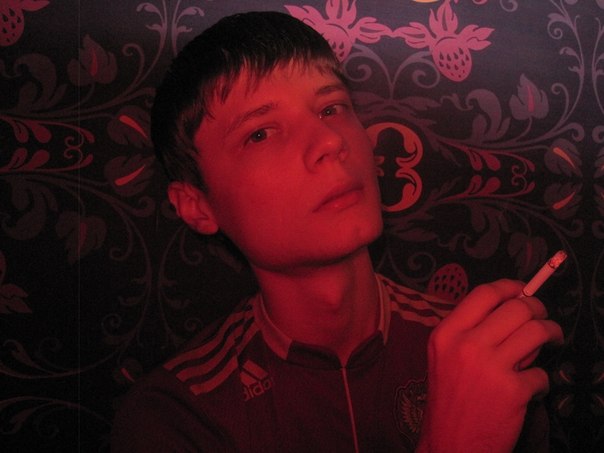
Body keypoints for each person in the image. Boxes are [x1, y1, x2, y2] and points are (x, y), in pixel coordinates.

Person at [111, 11, 563, 452]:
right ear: (197, 206)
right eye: (261, 133)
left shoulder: (481, 357)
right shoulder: (175, 417)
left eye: (331, 108)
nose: (331, 140)